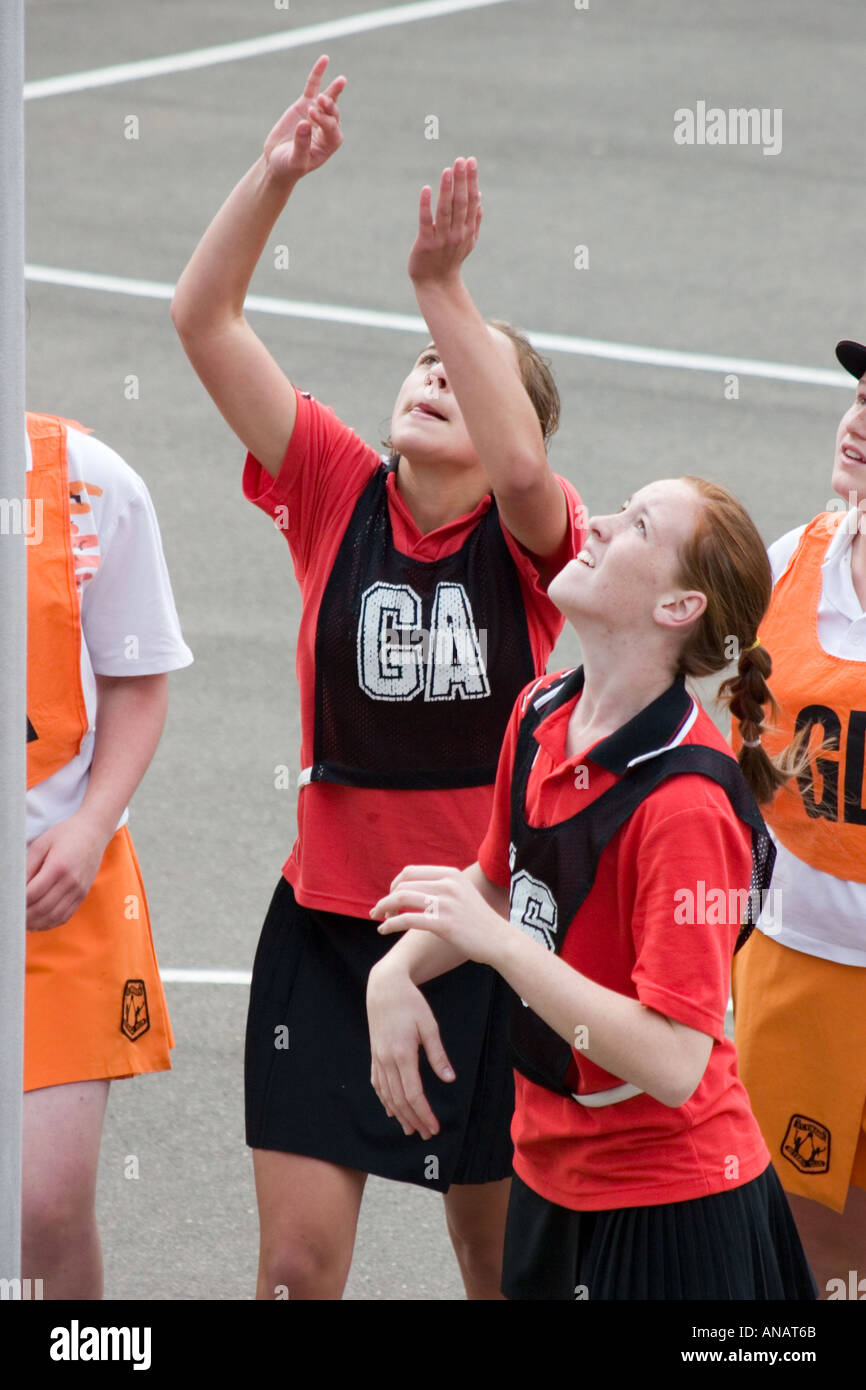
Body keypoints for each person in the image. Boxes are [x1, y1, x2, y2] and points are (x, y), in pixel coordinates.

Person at [170, 56, 584, 1300]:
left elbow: (517, 459)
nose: (431, 373)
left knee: (495, 1267)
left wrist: (441, 283)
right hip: (328, 933)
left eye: (461, 367)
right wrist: (276, 173)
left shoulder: (530, 537)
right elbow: (202, 317)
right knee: (295, 1274)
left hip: (485, 940)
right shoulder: (334, 487)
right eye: (420, 358)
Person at [368, 475, 816, 1300]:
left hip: (674, 1207)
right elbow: (503, 889)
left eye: (638, 524)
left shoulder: (684, 804)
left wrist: (497, 948)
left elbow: (675, 1061)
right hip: (547, 1171)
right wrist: (393, 972)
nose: (600, 524)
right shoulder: (541, 712)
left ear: (679, 607)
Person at [23, 411, 192, 1299]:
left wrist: (89, 828)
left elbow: (136, 676)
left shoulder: (86, 479)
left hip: (52, 893)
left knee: (43, 1206)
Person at [731, 339, 866, 1298]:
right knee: (815, 1266)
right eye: (860, 396)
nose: (857, 421)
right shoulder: (788, 564)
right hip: (797, 968)